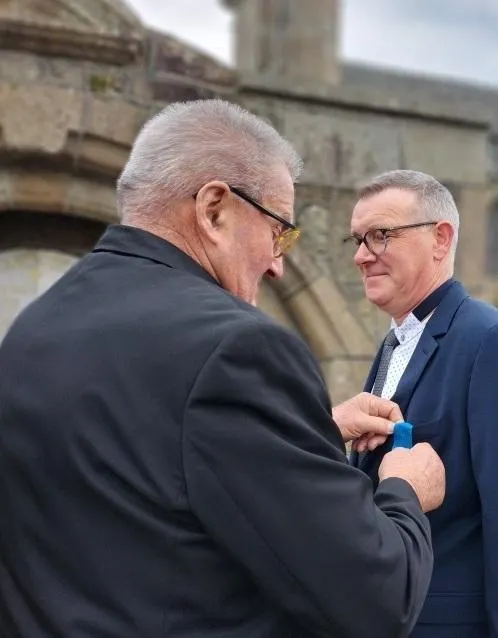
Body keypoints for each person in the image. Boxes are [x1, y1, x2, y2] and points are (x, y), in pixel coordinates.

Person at [0, 99, 446, 638]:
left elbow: (136, 470)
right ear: (214, 209)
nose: (279, 264)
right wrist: (403, 492)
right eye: (280, 230)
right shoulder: (240, 348)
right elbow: (377, 602)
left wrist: (307, 434)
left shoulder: (35, 327)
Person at [345, 169, 498, 637]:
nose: (361, 256)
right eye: (357, 239)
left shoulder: (494, 343)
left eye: (380, 236)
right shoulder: (393, 343)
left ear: (440, 239)